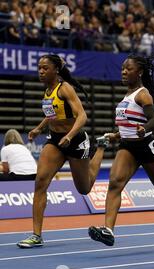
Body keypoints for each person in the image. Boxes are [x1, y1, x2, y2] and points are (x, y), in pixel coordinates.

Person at [88, 54, 154, 246]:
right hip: (127, 145)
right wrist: (116, 135)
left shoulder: (143, 94)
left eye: (129, 69)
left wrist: (145, 129)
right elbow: (128, 124)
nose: (124, 72)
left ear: (140, 72)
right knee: (115, 182)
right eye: (123, 69)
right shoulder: (126, 96)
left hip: (145, 146)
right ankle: (108, 230)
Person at [17, 54, 107, 248]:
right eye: (39, 68)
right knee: (40, 181)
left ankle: (100, 148)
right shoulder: (47, 90)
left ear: (55, 70)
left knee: (84, 188)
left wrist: (70, 135)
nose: (41, 71)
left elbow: (82, 116)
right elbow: (53, 115)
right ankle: (36, 235)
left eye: (45, 68)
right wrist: (39, 128)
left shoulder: (65, 88)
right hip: (56, 141)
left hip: (75, 140)